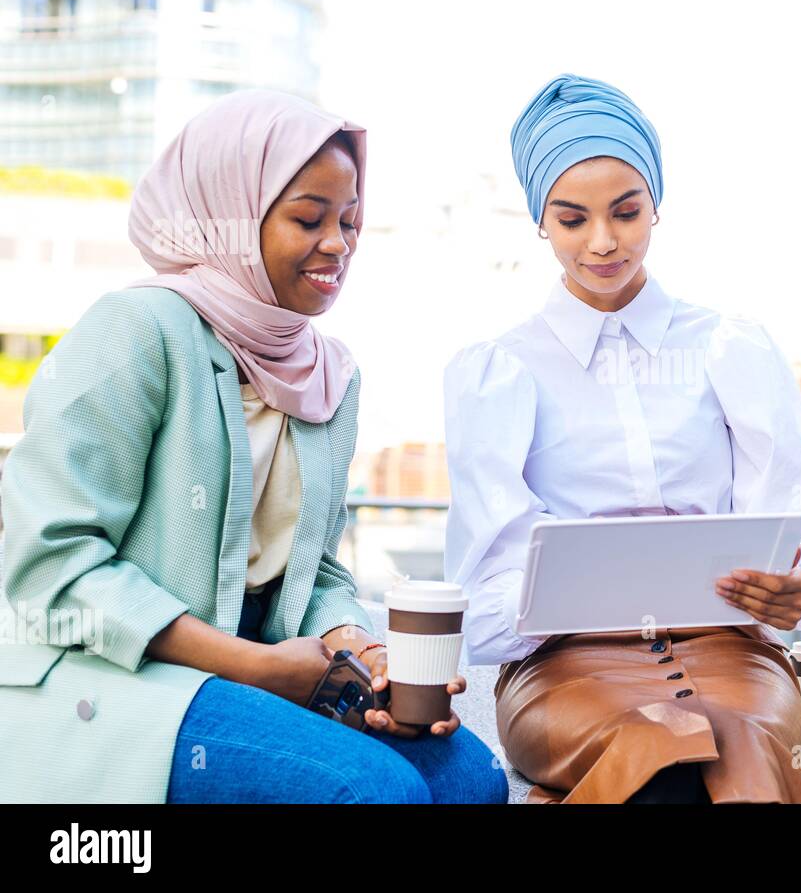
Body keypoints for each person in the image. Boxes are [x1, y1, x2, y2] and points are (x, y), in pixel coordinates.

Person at [0, 89, 506, 803]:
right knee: (373, 790)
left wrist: (360, 650)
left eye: (351, 221)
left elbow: (320, 570)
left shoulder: (328, 373)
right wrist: (254, 666)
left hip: (256, 670)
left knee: (469, 781)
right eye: (309, 217)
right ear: (232, 218)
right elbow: (51, 565)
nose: (339, 243)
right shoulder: (138, 330)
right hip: (110, 677)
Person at [443, 74, 801, 803]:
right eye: (571, 219)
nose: (602, 241)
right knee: (680, 750)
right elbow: (485, 609)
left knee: (713, 733)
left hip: (733, 655)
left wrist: (789, 593)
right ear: (539, 220)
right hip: (565, 669)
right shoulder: (500, 371)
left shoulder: (731, 346)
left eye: (626, 211)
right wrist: (557, 595)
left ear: (656, 204)